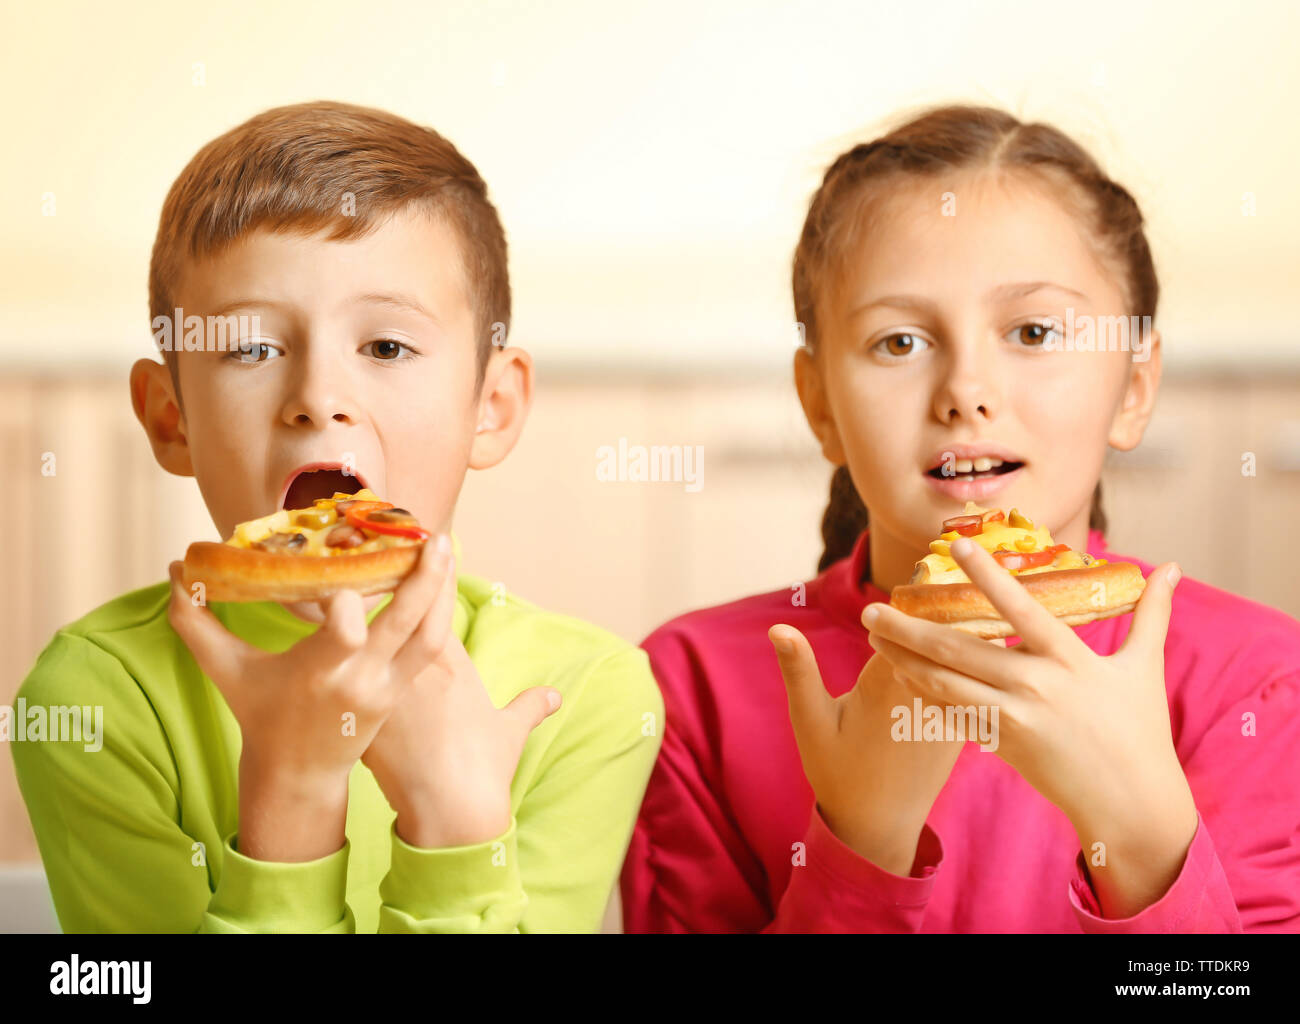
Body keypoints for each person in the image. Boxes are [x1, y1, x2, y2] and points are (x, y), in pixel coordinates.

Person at [620, 104, 1300, 932]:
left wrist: (1139, 833)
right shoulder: (692, 688)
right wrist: (861, 842)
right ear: (820, 403)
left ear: (1133, 387)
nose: (965, 391)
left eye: (1034, 330)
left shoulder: (1259, 682)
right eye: (900, 343)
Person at [13, 100, 663, 933]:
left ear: (491, 407)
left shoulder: (585, 695)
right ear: (171, 419)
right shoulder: (97, 699)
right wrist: (293, 792)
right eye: (251, 349)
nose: (317, 399)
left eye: (386, 347)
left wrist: (457, 831)